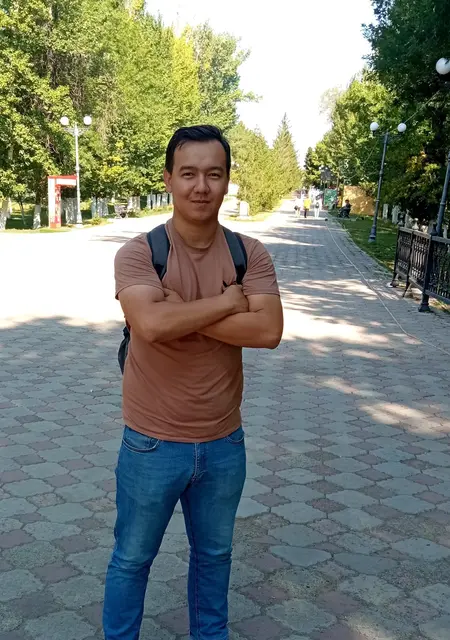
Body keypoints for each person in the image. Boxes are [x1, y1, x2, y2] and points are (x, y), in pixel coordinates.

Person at [104, 125, 283, 640]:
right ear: (168, 180)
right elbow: (150, 324)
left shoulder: (250, 253)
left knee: (214, 557)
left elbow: (268, 331)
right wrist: (227, 304)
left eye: (213, 174)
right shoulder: (140, 253)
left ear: (227, 180)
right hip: (151, 443)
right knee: (132, 558)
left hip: (225, 442)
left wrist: (185, 313)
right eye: (188, 174)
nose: (201, 186)